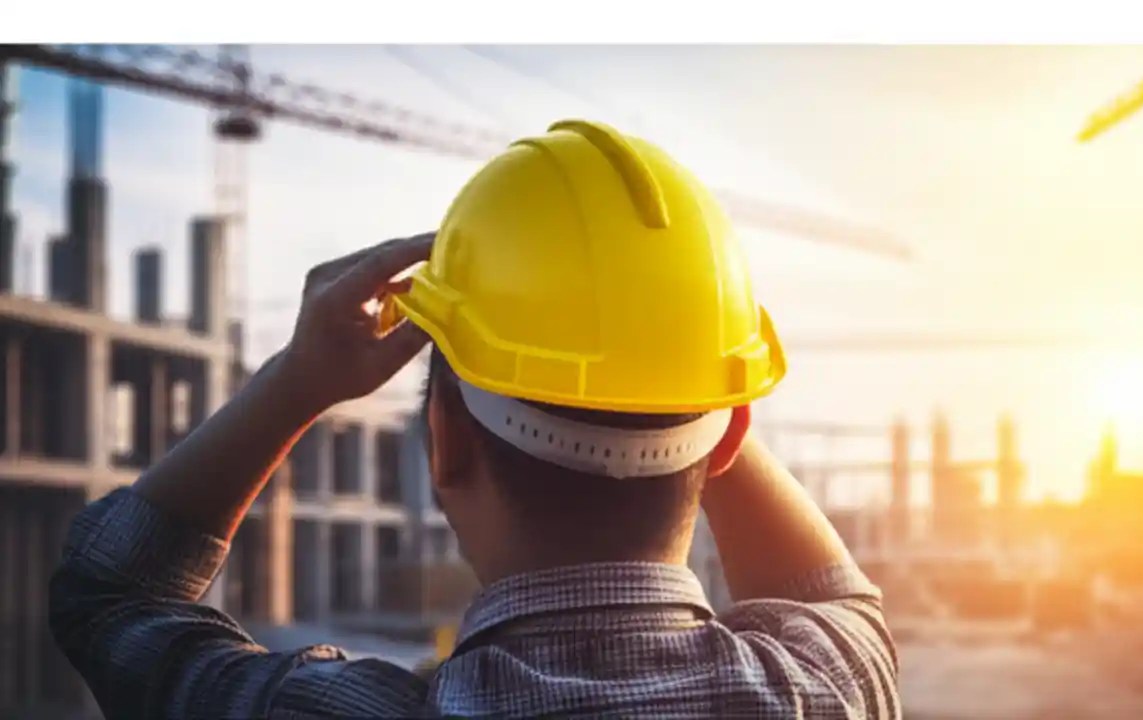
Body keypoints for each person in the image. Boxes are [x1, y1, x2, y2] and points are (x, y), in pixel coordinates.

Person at [49, 120, 899, 718]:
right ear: (730, 440)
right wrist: (678, 337)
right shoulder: (828, 691)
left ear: (443, 441)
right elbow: (832, 599)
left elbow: (111, 594)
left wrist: (297, 381)